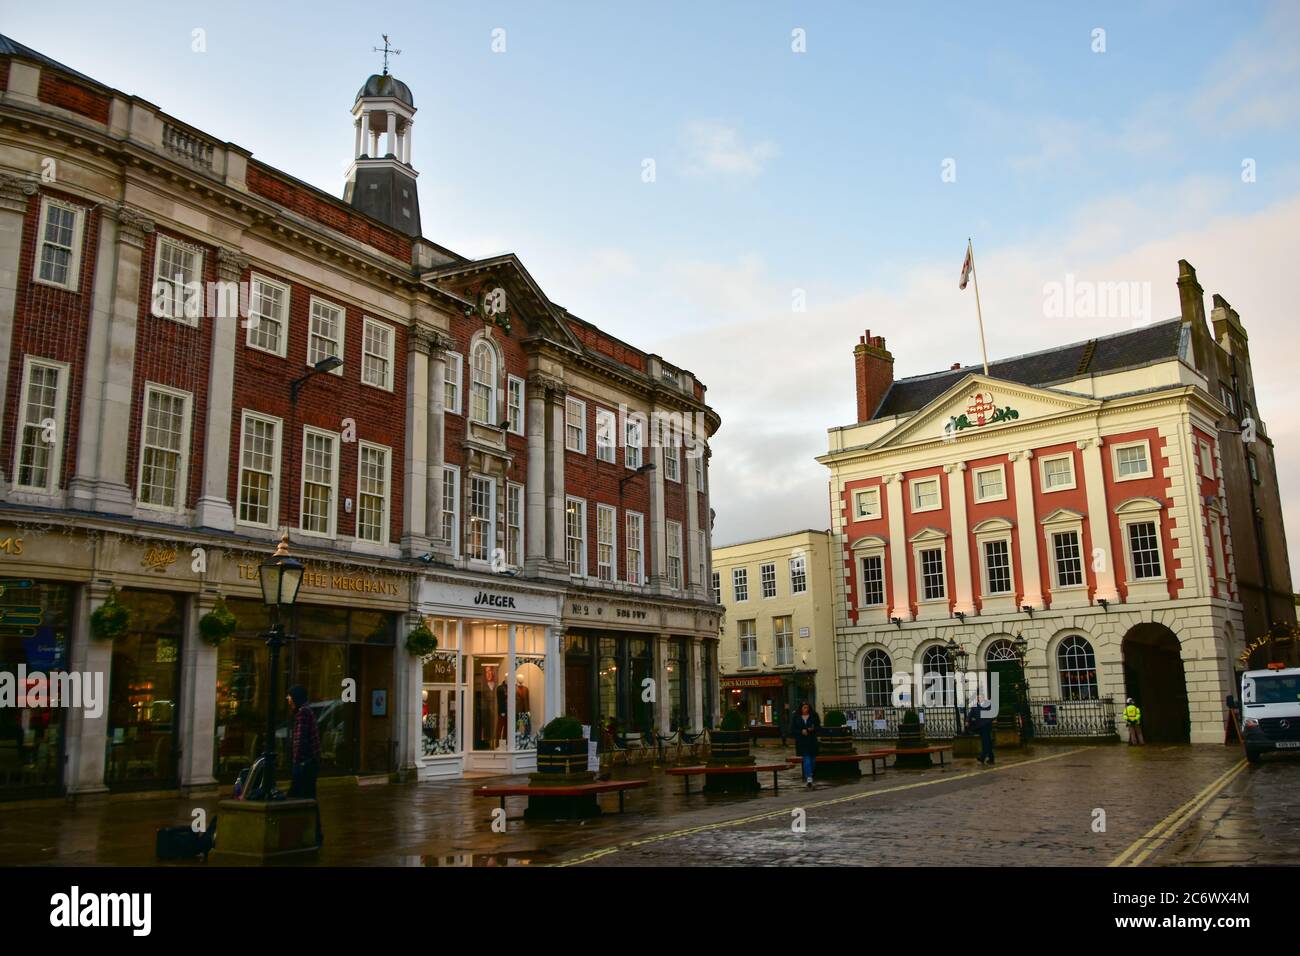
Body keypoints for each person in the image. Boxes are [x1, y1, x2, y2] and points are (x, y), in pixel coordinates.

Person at [286, 685, 323, 845]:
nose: (289, 703)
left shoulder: (302, 713)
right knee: (309, 799)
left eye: (290, 699)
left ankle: (298, 835)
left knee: (295, 799)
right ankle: (314, 835)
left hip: (304, 765)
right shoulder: (307, 711)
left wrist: (296, 762)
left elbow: (300, 741)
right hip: (310, 763)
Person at [791, 702, 820, 788]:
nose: (805, 709)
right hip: (802, 742)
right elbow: (792, 730)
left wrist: (813, 729)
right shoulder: (796, 717)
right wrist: (801, 731)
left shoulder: (814, 716)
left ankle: (810, 774)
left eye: (807, 708)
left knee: (813, 760)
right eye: (804, 708)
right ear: (801, 708)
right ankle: (809, 778)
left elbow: (819, 728)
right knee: (806, 758)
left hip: (812, 741)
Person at [968, 695, 994, 765]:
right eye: (978, 698)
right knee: (987, 742)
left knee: (985, 742)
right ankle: (991, 758)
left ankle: (982, 757)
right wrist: (968, 721)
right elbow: (970, 715)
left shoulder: (988, 705)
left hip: (986, 726)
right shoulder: (975, 707)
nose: (979, 699)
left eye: (980, 698)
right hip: (980, 727)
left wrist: (989, 721)